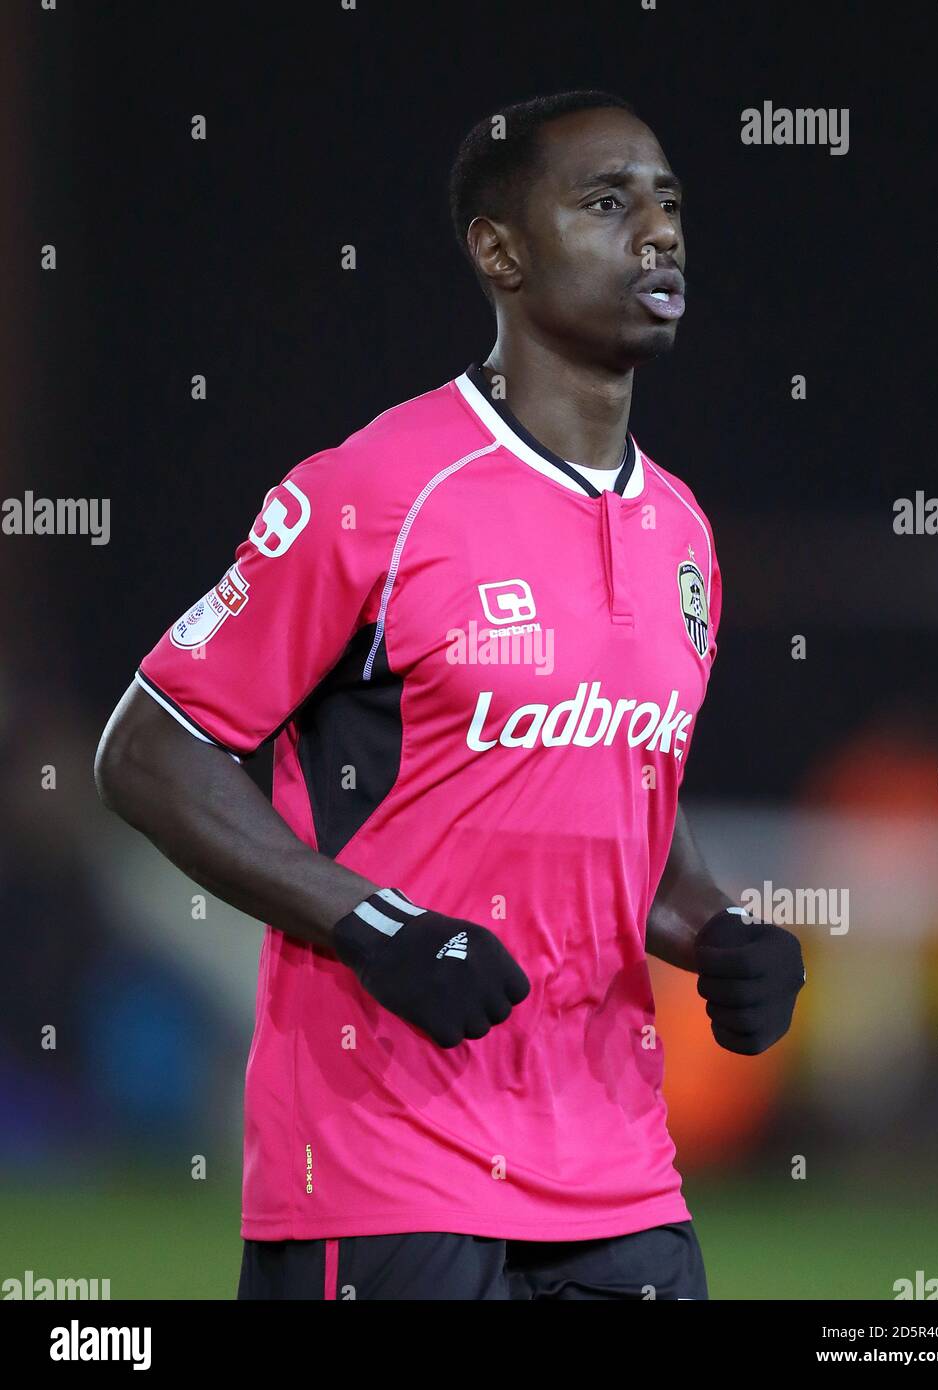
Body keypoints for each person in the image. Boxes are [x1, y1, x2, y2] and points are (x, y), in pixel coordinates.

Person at [94, 89, 804, 1301]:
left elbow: (624, 803)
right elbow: (147, 751)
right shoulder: (375, 489)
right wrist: (375, 926)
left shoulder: (682, 531)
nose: (658, 232)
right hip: (385, 1173)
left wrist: (717, 934)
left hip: (622, 1179)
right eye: (606, 201)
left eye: (669, 203)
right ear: (499, 251)